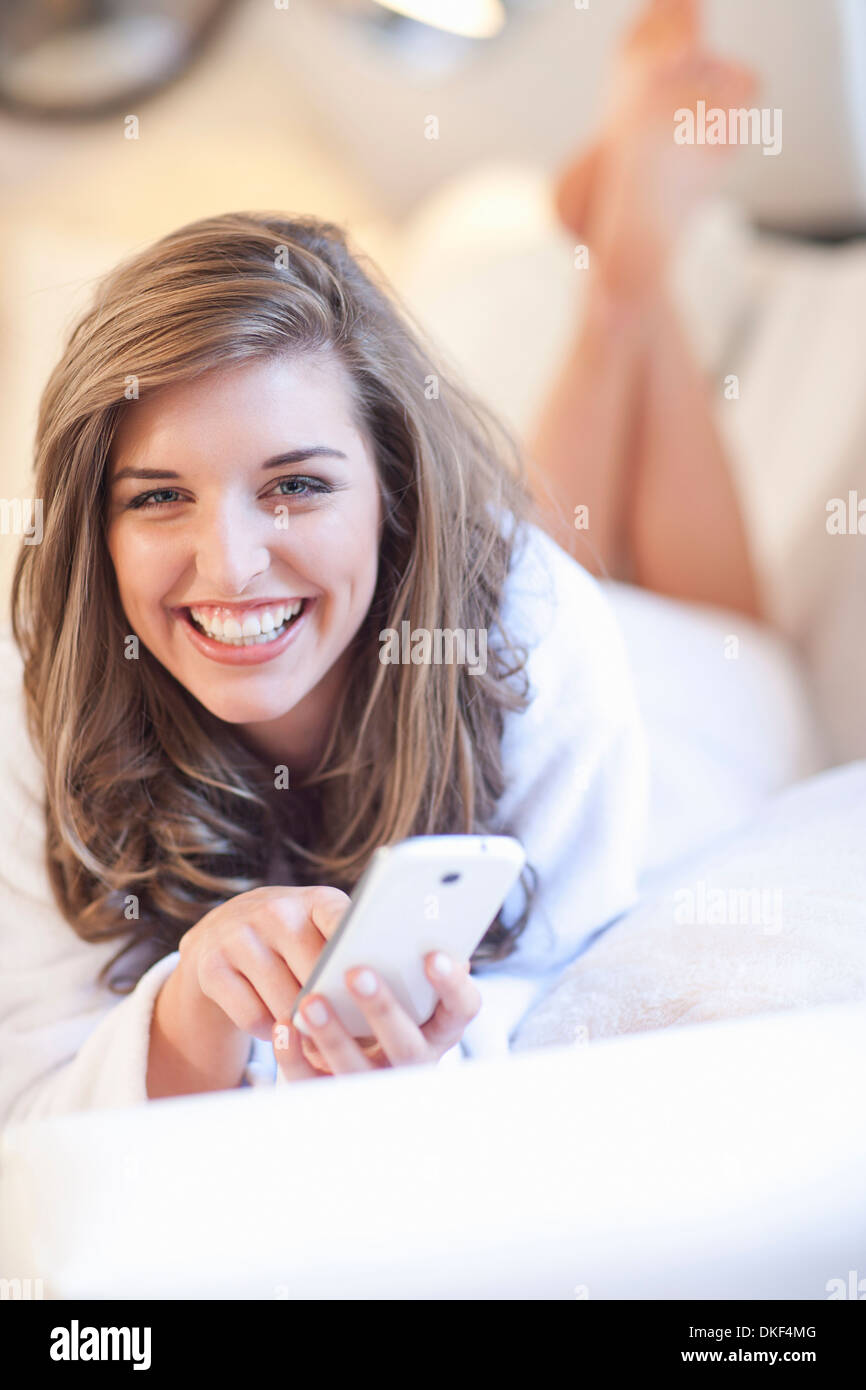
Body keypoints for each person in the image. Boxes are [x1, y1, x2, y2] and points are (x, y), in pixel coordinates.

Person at [0, 207, 649, 1126]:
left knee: (698, 603)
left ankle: (628, 283)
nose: (229, 566)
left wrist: (426, 1064)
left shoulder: (538, 635)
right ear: (93, 527)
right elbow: (30, 1117)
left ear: (395, 491)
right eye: (158, 497)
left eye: (296, 485)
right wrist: (196, 1006)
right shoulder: (29, 697)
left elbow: (570, 991)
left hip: (694, 681)